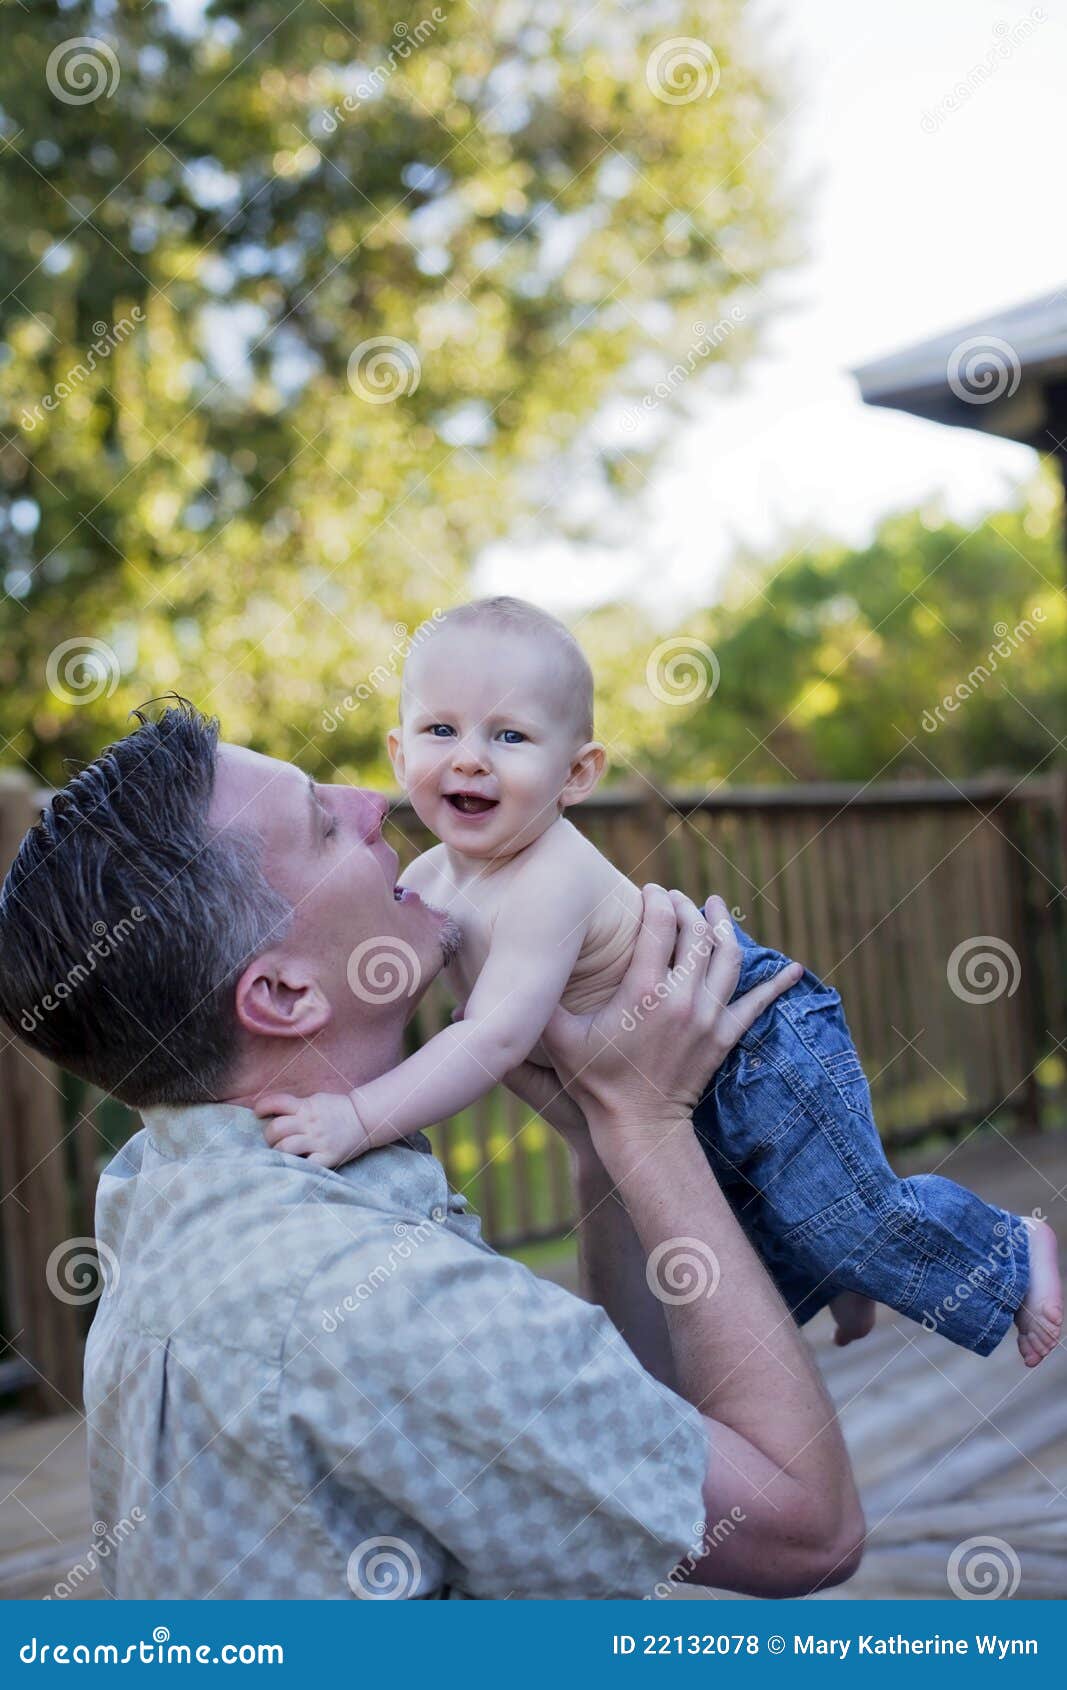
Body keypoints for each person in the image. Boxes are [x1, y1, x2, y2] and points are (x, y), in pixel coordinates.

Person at [0, 700, 863, 1599]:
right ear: (287, 995)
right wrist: (653, 1125)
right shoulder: (375, 1298)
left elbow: (628, 1450)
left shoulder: (162, 1190)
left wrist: (602, 1136)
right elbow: (804, 1529)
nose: (376, 801)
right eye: (325, 824)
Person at [259, 598, 1061, 1367]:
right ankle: (844, 1271)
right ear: (401, 755)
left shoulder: (550, 874)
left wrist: (359, 1116)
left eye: (508, 735)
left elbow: (494, 1034)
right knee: (730, 1272)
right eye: (442, 729)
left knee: (846, 1216)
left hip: (753, 1038)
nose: (469, 756)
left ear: (576, 775)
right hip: (668, 1067)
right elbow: (384, 989)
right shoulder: (434, 879)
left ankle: (1007, 1251)